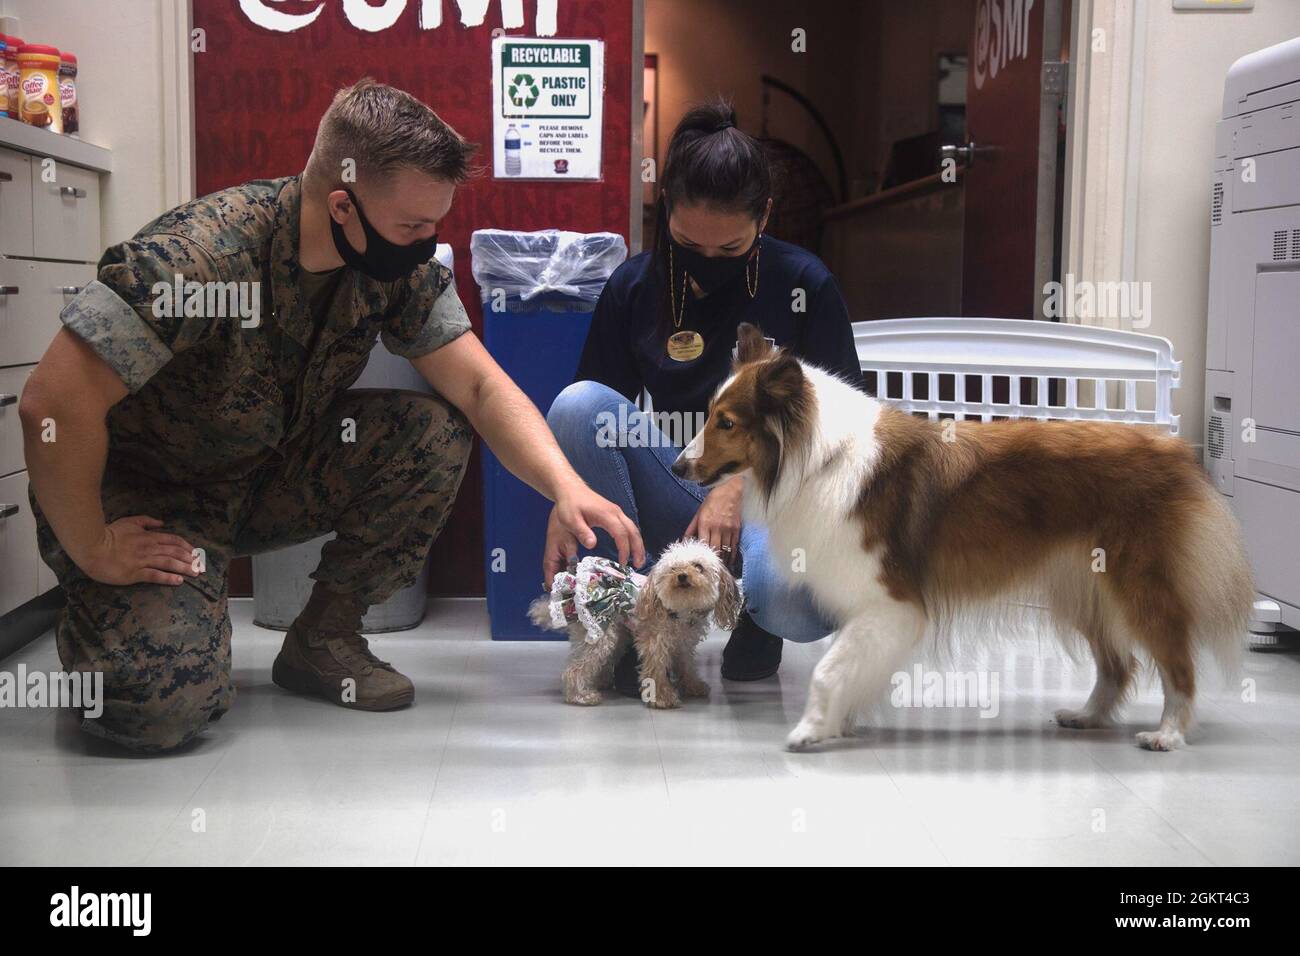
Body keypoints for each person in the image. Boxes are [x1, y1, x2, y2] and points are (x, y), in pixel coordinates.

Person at [19, 79, 643, 753]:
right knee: (151, 709)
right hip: (149, 504)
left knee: (431, 435)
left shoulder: (388, 266)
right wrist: (94, 546)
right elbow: (51, 404)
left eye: (435, 224)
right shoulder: (199, 260)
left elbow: (481, 391)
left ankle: (322, 640)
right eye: (411, 227)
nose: (424, 244)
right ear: (342, 204)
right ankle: (108, 625)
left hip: (261, 475)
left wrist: (567, 488)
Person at [544, 100, 863, 692]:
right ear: (666, 204)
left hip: (779, 503)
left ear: (764, 217)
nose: (706, 263)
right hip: (684, 488)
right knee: (575, 405)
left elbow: (848, 436)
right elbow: (595, 420)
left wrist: (740, 485)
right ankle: (631, 618)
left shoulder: (804, 284)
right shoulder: (635, 285)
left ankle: (756, 614)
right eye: (690, 244)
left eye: (730, 250)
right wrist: (568, 495)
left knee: (786, 600)